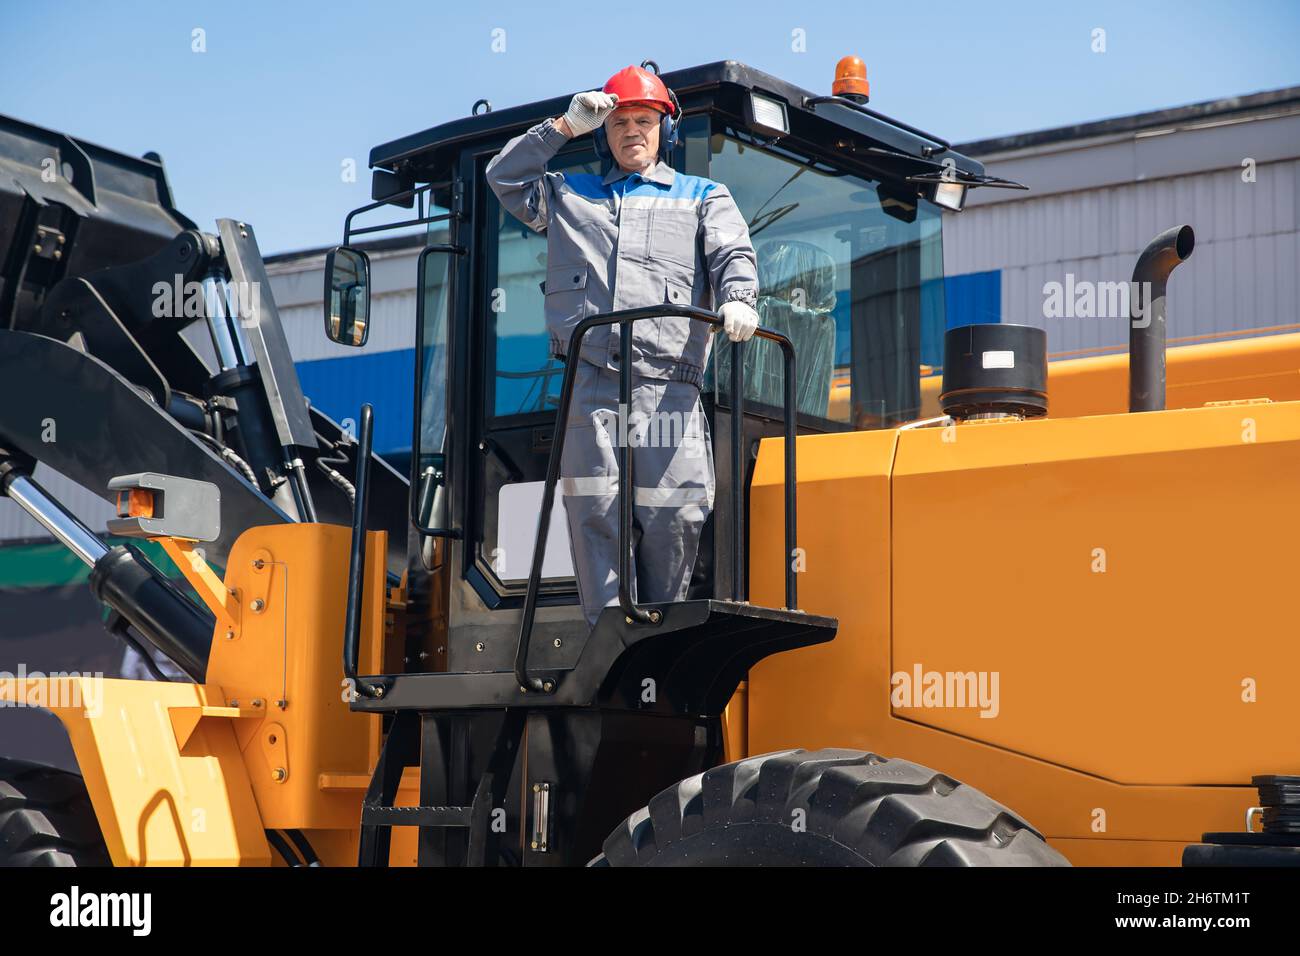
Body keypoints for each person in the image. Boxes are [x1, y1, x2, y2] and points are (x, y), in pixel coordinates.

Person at [486, 65, 759, 629]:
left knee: (674, 512)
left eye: (643, 120)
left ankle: (657, 629)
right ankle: (611, 640)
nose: (631, 130)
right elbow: (504, 178)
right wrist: (561, 127)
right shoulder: (568, 195)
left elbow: (733, 255)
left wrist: (739, 298)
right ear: (604, 132)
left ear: (664, 129)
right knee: (595, 513)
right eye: (619, 122)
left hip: (669, 389)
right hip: (593, 386)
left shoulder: (704, 197)